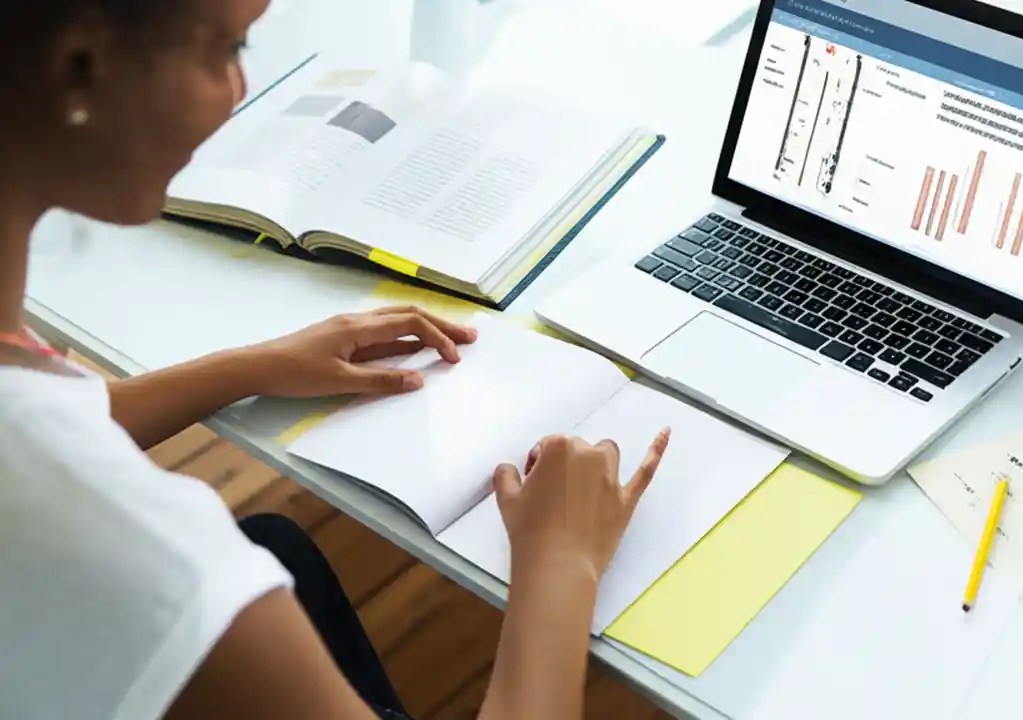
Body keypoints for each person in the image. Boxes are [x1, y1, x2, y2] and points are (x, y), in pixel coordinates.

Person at [0, 2, 670, 719]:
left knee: (279, 548)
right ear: (80, 65)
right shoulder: (140, 545)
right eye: (227, 46)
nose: (239, 88)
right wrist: (561, 566)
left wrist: (251, 366)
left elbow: (41, 422)